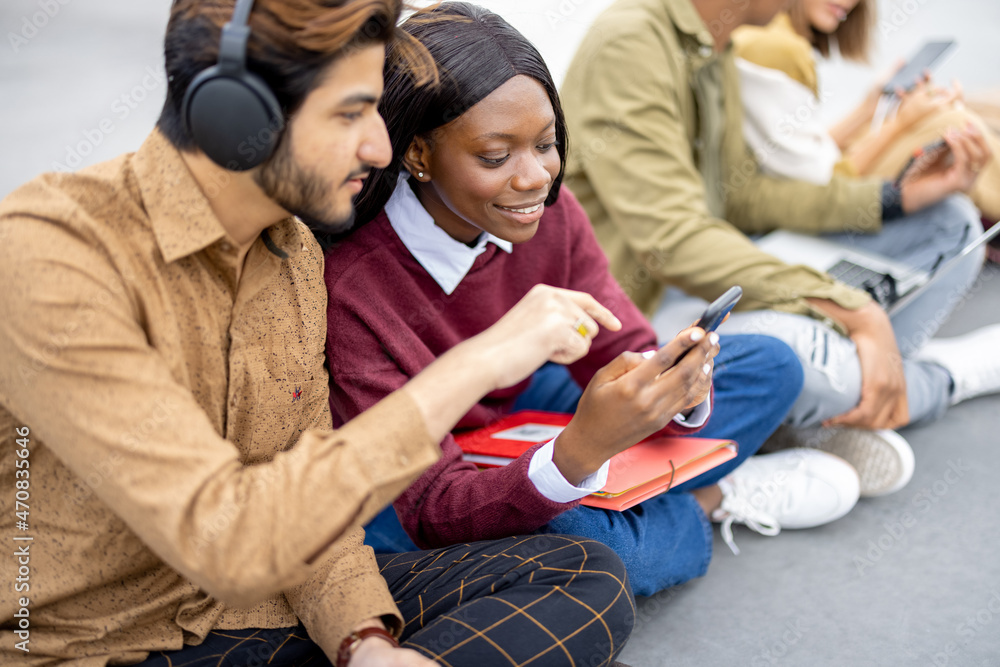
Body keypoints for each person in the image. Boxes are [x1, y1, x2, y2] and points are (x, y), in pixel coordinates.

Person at [0, 1, 638, 665]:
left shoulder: (296, 255)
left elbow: (312, 498)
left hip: (253, 617)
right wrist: (476, 364)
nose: (382, 148)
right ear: (237, 112)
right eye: (350, 113)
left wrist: (365, 640)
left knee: (582, 571)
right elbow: (229, 535)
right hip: (92, 646)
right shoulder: (51, 254)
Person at [321, 1, 862, 598]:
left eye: (547, 144)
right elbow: (433, 507)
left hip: (523, 409)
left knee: (770, 363)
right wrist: (580, 451)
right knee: (588, 543)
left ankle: (642, 490)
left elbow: (622, 343)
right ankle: (714, 495)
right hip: (423, 482)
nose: (535, 179)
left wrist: (672, 384)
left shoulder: (547, 212)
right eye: (495, 157)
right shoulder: (353, 288)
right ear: (418, 154)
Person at [559, 0, 998, 497]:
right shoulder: (631, 42)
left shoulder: (713, 42)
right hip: (641, 316)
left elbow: (745, 197)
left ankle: (853, 391)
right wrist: (854, 311)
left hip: (710, 274)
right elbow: (674, 240)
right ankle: (945, 374)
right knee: (807, 362)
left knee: (951, 223)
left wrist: (895, 198)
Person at [731, 0, 1000, 222]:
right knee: (955, 121)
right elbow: (826, 182)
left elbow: (803, 148)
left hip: (801, 182)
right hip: (805, 202)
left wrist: (870, 106)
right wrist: (902, 123)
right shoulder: (779, 49)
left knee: (967, 110)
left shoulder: (773, 38)